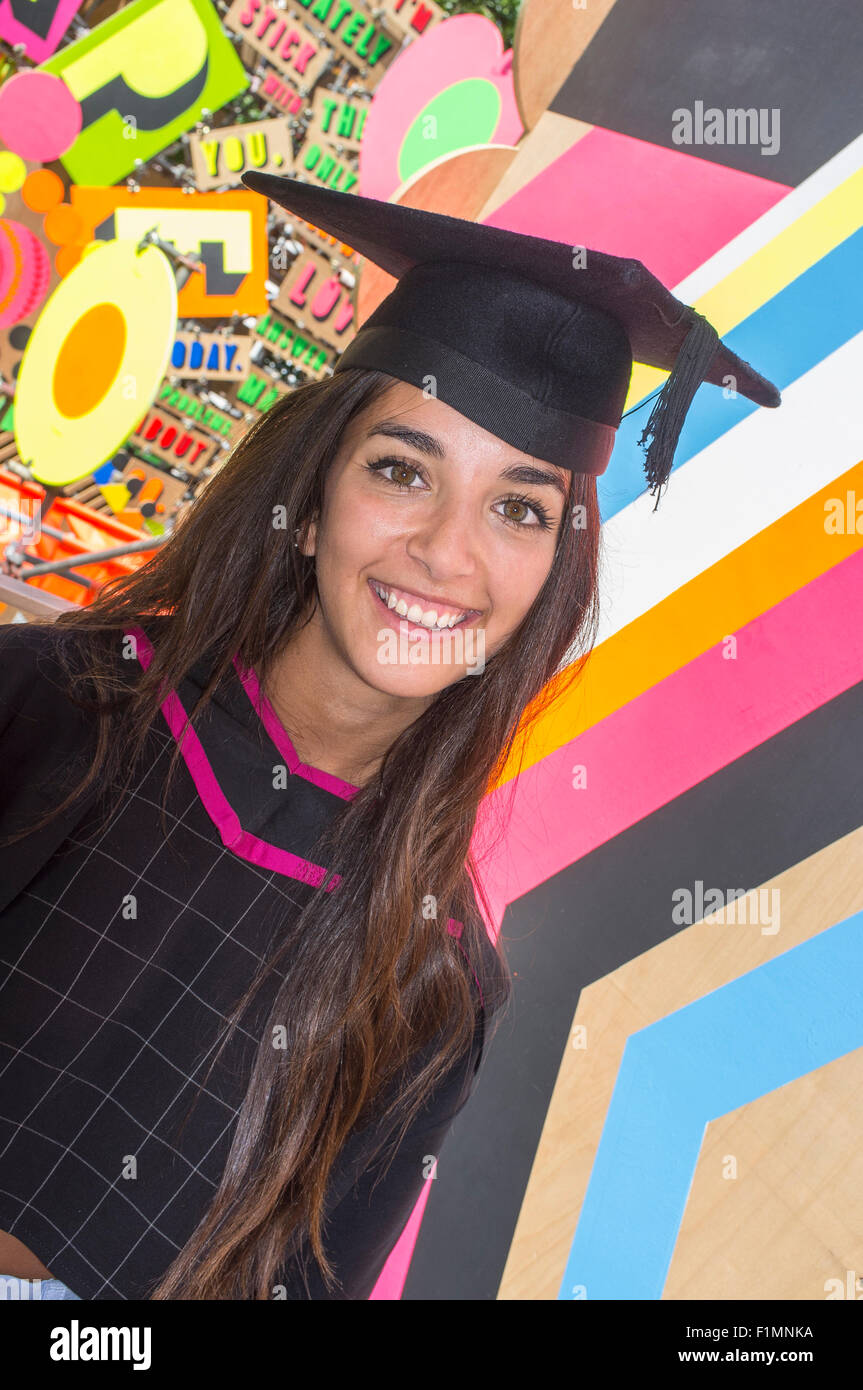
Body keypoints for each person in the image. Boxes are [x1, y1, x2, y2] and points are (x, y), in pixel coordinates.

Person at [0, 177, 780, 1301]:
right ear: (310, 501)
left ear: (550, 578)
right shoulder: (49, 711)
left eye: (518, 507)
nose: (446, 554)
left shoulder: (431, 982)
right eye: (402, 470)